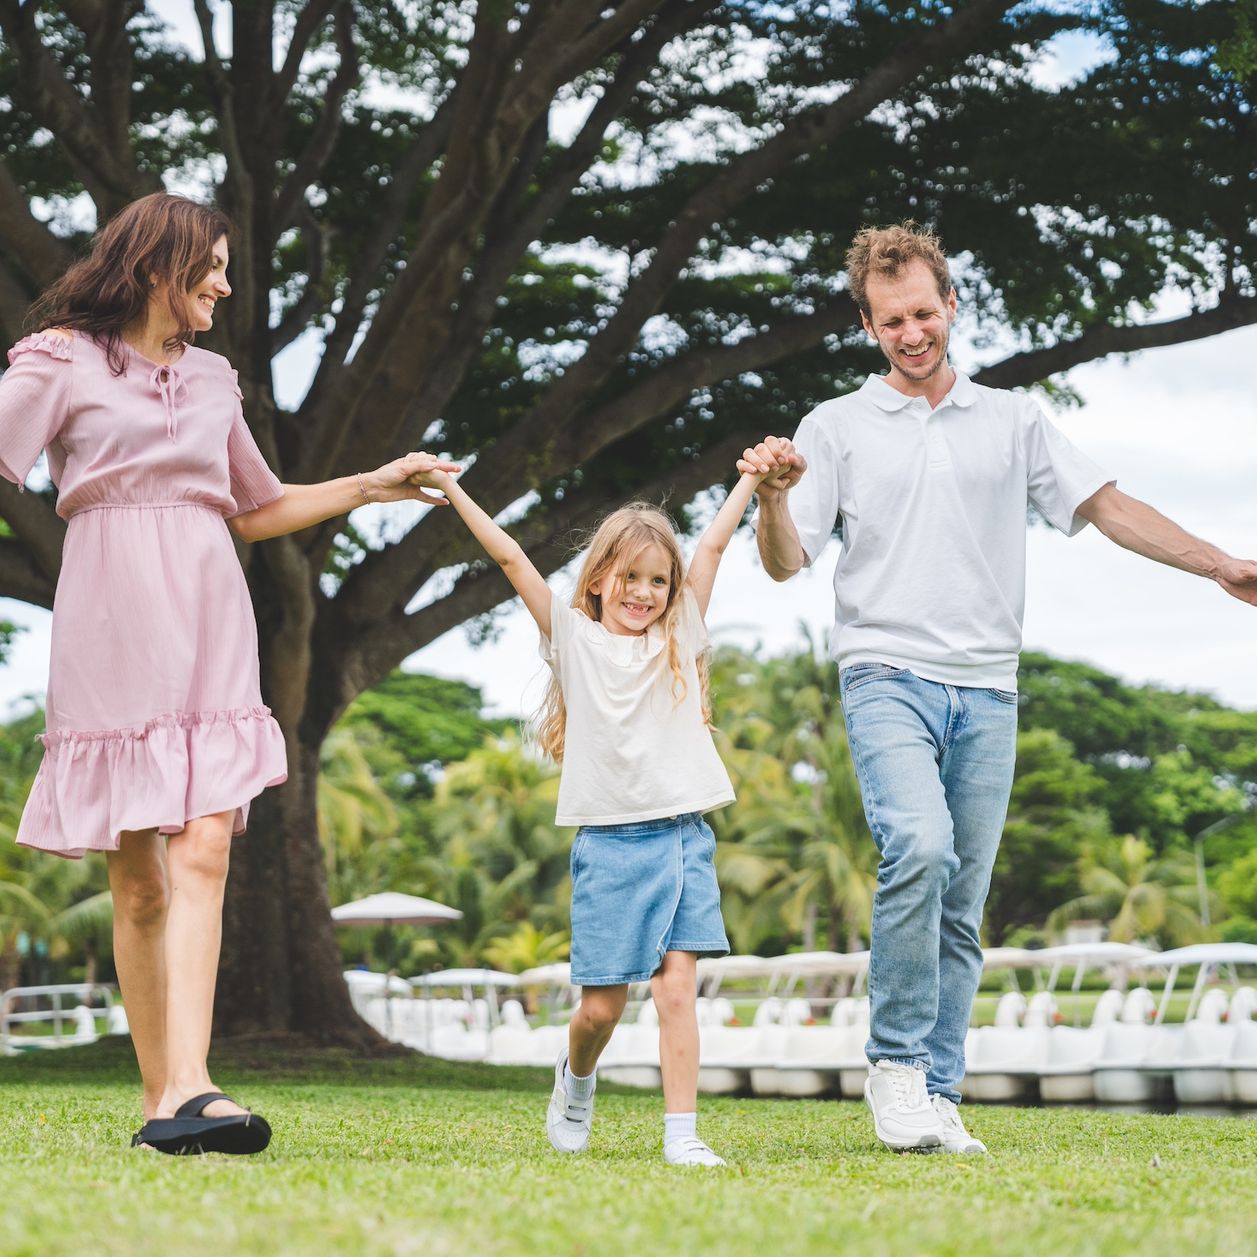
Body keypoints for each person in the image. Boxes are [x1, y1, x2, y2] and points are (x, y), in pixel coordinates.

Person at [743, 221, 1257, 1155]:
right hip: (885, 671)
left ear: (950, 304)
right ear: (866, 325)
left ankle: (937, 1091)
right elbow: (785, 562)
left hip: (987, 687)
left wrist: (1216, 561)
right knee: (920, 847)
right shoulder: (835, 427)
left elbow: (1107, 506)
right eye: (891, 320)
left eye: (923, 313)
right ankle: (895, 1065)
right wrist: (775, 497)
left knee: (960, 903)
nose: (911, 333)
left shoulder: (1013, 421)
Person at [0, 192, 458, 1156]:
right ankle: (162, 1099)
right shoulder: (60, 359)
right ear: (156, 266)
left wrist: (372, 483)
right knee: (139, 882)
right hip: (111, 613)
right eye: (211, 266)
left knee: (206, 844)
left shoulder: (214, 380)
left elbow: (254, 507)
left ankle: (193, 1086)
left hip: (211, 608)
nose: (224, 285)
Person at [409, 452, 797, 1166]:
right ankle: (576, 1077)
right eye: (630, 577)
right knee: (600, 1009)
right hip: (611, 846)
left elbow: (712, 547)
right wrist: (452, 489)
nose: (644, 592)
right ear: (596, 579)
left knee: (677, 989)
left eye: (658, 580)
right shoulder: (572, 638)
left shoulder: (679, 637)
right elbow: (509, 556)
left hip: (683, 836)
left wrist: (749, 478)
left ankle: (682, 1134)